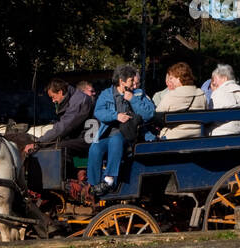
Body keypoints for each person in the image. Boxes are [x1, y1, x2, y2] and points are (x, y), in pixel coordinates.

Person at [88, 64, 155, 195]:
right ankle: (95, 185)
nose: (134, 86)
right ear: (122, 81)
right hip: (107, 134)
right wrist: (116, 116)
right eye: (131, 81)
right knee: (95, 148)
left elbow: (149, 114)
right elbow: (99, 112)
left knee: (116, 140)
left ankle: (109, 179)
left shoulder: (138, 94)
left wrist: (133, 100)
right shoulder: (106, 94)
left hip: (129, 134)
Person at [24, 78, 94, 159]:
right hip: (79, 137)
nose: (53, 101)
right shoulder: (73, 98)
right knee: (52, 143)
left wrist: (39, 142)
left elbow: (64, 126)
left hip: (88, 138)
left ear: (60, 92)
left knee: (55, 149)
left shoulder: (80, 101)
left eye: (53, 97)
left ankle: (69, 171)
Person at [156, 63, 207, 139]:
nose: (170, 81)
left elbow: (158, 117)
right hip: (197, 136)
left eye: (171, 78)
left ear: (179, 78)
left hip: (173, 138)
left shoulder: (171, 95)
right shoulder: (201, 94)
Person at [208, 64, 240, 136]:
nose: (213, 83)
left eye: (214, 79)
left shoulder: (218, 92)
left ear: (224, 78)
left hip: (220, 136)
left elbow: (210, 117)